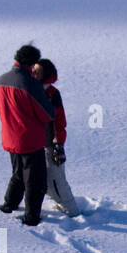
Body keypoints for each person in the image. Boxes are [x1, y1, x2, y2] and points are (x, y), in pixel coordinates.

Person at [0, 44, 55, 225]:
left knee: (17, 172)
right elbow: (46, 113)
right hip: (30, 139)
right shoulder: (30, 84)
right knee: (34, 180)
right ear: (32, 63)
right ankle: (31, 217)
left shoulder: (0, 80)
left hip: (9, 136)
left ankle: (9, 203)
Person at [33, 58, 80, 216]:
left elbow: (60, 122)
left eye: (38, 71)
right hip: (32, 145)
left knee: (57, 181)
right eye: (33, 69)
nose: (34, 73)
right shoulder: (29, 90)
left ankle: (73, 213)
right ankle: (63, 207)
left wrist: (58, 144)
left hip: (49, 144)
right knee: (43, 182)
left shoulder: (52, 93)